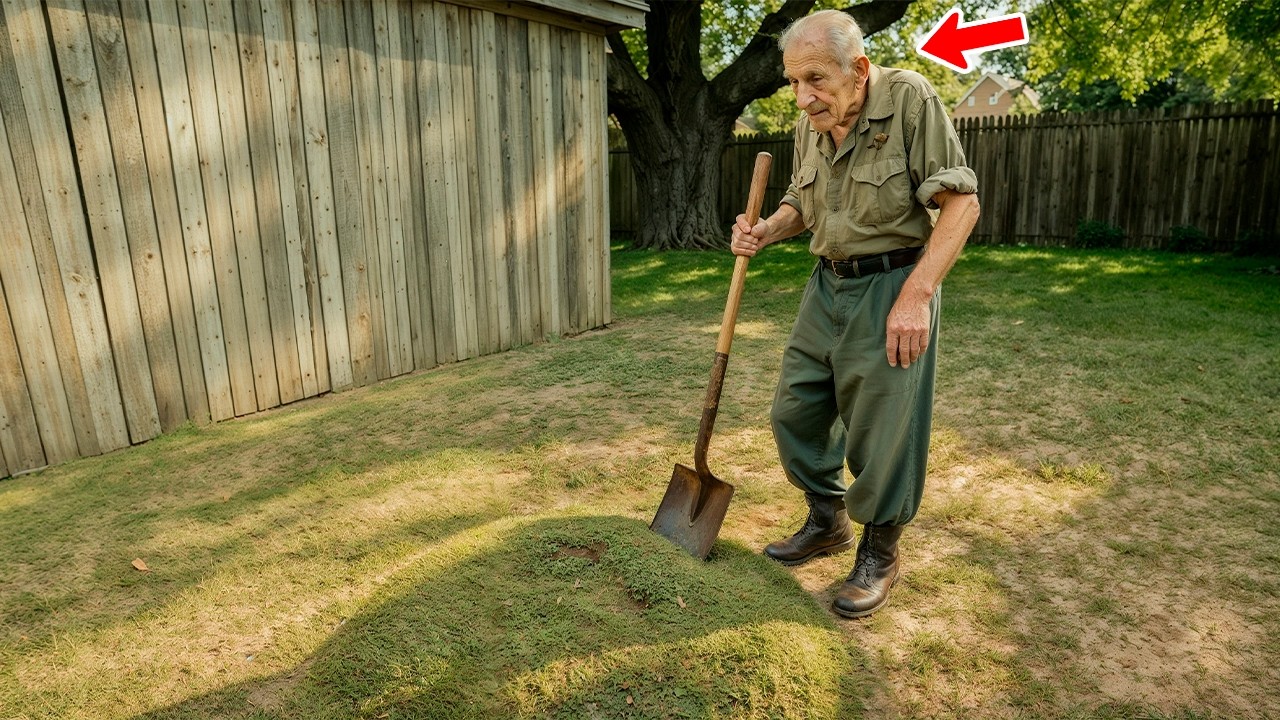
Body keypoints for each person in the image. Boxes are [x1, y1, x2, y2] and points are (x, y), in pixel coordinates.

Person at [731, 10, 980, 618]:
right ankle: (827, 519)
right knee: (796, 407)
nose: (802, 96)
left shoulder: (909, 101)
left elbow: (962, 204)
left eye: (815, 78)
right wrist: (766, 229)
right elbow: (803, 199)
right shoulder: (812, 121)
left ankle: (880, 549)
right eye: (793, 82)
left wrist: (916, 298)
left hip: (893, 283)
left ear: (859, 69)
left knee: (883, 427)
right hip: (827, 285)